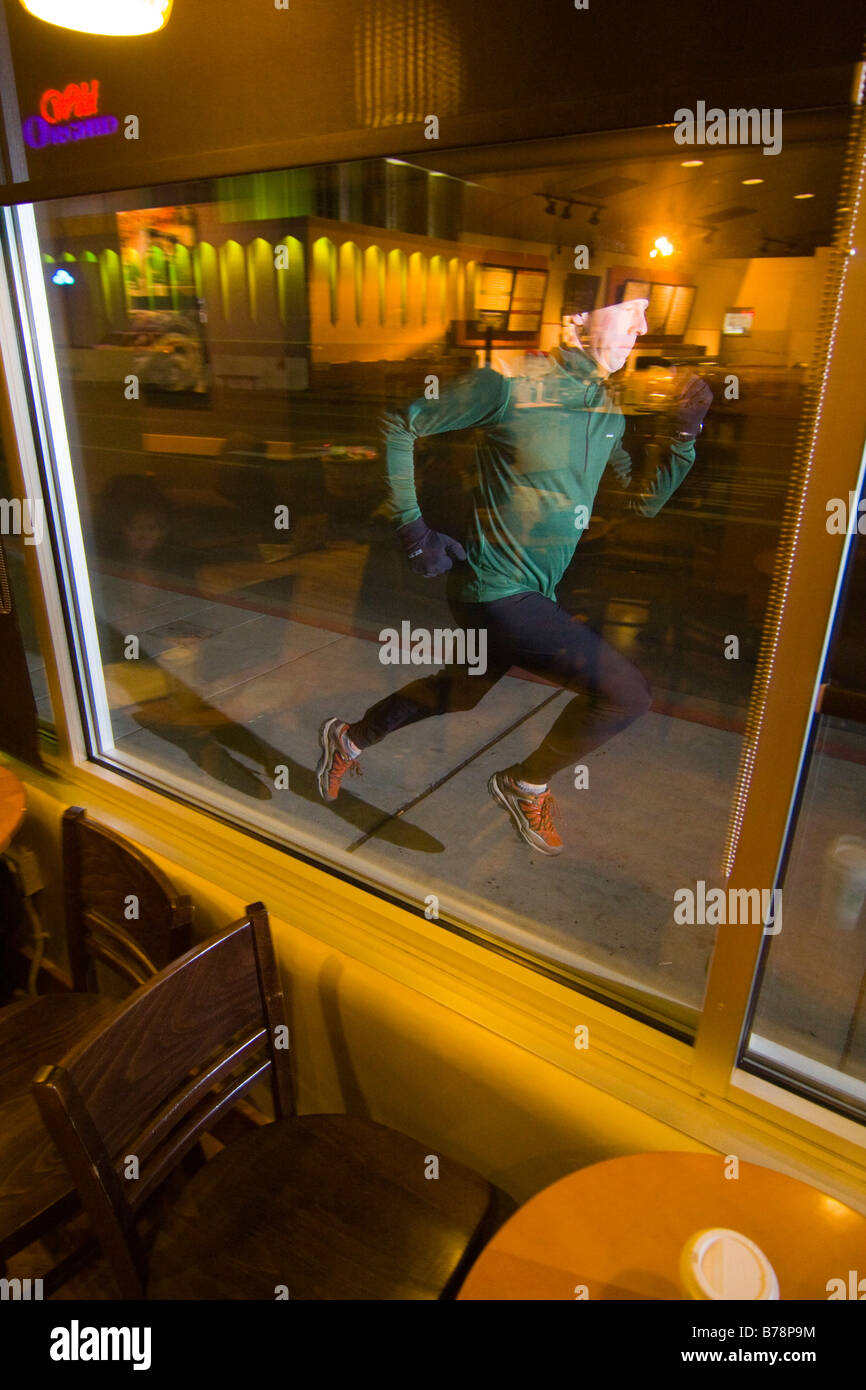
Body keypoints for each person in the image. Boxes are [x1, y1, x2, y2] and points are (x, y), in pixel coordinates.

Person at [316, 298, 711, 854]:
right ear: (579, 321)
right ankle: (525, 785)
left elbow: (640, 503)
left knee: (461, 692)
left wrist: (685, 435)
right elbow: (400, 423)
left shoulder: (607, 410)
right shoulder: (509, 384)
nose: (643, 328)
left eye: (646, 316)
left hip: (536, 588)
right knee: (626, 694)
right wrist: (413, 529)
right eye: (631, 312)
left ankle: (349, 739)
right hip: (495, 589)